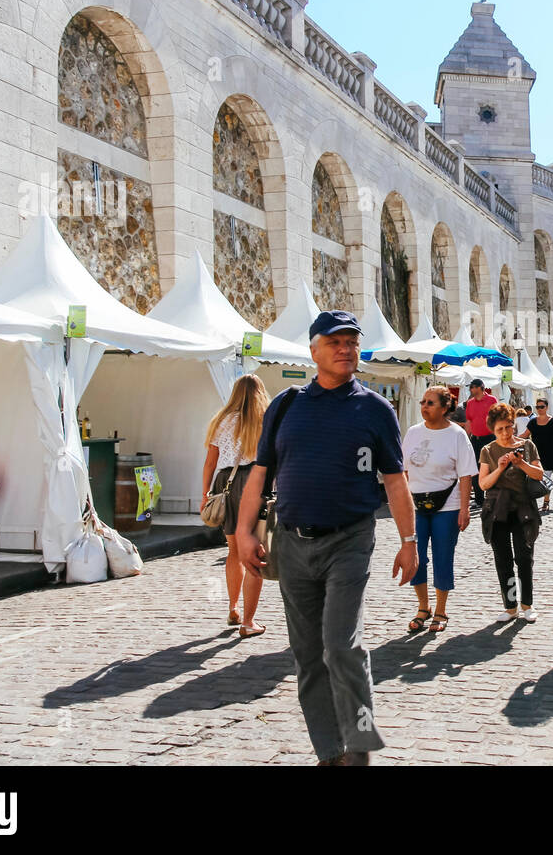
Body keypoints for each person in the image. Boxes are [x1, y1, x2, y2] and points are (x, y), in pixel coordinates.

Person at [234, 310, 418, 766]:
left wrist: (409, 540)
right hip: (293, 542)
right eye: (335, 342)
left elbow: (395, 481)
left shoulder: (375, 409)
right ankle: (329, 752)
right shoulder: (286, 405)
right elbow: (260, 473)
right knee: (309, 654)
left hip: (349, 540)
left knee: (341, 645)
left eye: (352, 342)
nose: (346, 349)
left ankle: (359, 747)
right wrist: (241, 531)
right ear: (313, 349)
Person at [403, 385, 477, 635]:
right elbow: (402, 471)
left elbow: (466, 474)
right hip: (416, 506)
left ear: (445, 408)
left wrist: (464, 508)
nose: (424, 406)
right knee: (416, 557)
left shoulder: (456, 435)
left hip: (448, 505)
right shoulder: (413, 433)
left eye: (430, 403)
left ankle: (441, 610)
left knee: (442, 557)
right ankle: (423, 607)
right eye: (423, 402)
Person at [201, 373, 270, 638]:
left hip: (225, 482)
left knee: (233, 550)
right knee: (254, 551)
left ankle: (233, 607)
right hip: (254, 482)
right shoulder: (265, 420)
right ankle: (248, 622)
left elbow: (210, 462)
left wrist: (205, 494)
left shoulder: (222, 420)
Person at [478, 403, 544, 622]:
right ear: (493, 431)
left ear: (514, 424)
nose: (506, 433)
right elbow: (484, 484)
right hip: (497, 510)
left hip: (523, 508)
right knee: (503, 559)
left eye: (508, 427)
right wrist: (500, 467)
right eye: (500, 430)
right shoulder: (488, 450)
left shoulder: (527, 446)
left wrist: (521, 463)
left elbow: (538, 474)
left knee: (525, 558)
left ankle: (527, 604)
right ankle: (510, 607)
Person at [521, 398, 553, 512]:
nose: (540, 409)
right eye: (538, 407)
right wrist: (510, 439)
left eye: (542, 407)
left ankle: (546, 502)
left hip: (551, 453)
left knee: (547, 478)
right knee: (534, 478)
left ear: (547, 407)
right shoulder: (532, 422)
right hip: (536, 455)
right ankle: (533, 502)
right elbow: (525, 435)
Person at [465, 379, 498, 509]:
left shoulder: (492, 400)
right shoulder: (470, 403)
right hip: (475, 439)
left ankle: (492, 496)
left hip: (490, 438)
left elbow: (497, 418)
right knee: (475, 469)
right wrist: (467, 438)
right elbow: (469, 421)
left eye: (472, 387)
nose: (470, 389)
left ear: (480, 388)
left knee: (491, 467)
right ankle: (479, 500)